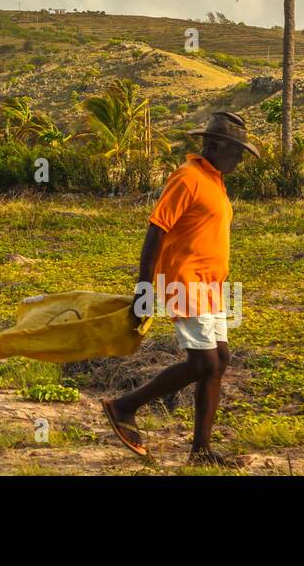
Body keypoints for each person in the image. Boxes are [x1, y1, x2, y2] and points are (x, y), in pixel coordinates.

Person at [102, 111, 258, 468]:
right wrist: (144, 290)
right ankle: (124, 406)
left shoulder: (214, 179)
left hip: (212, 286)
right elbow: (156, 231)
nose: (239, 160)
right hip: (184, 282)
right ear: (216, 146)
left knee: (219, 363)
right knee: (203, 362)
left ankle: (201, 452)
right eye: (237, 152)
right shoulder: (187, 177)